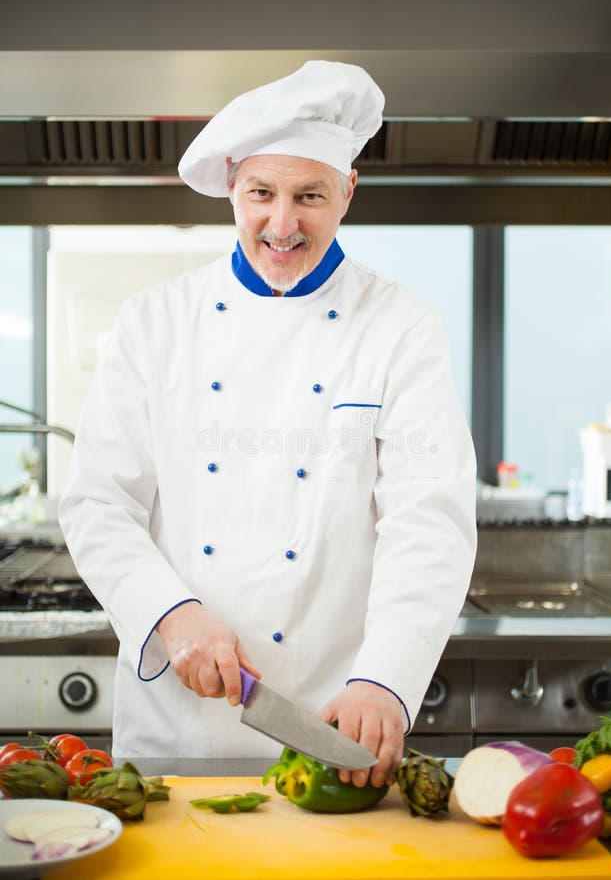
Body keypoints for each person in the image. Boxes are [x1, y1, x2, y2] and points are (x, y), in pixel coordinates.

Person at [59, 60, 477, 790]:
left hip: (331, 713)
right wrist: (172, 615)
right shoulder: (155, 322)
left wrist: (386, 678)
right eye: (261, 193)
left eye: (309, 195)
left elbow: (428, 520)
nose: (282, 225)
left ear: (348, 190)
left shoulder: (401, 326)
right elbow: (98, 503)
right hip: (175, 720)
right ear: (232, 189)